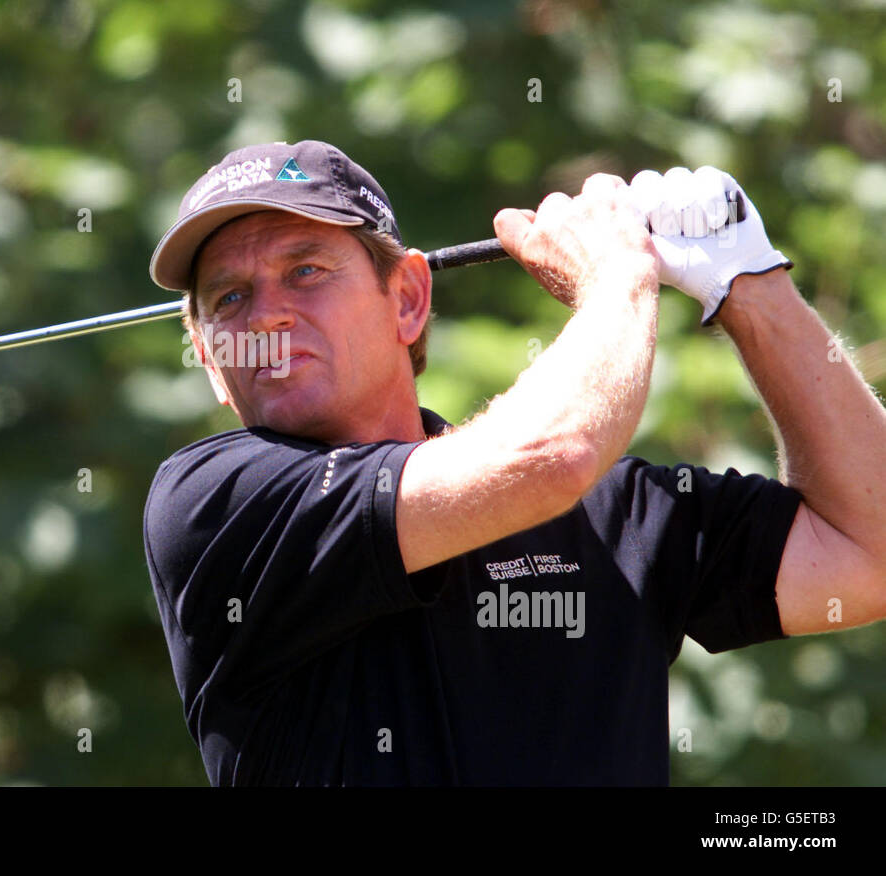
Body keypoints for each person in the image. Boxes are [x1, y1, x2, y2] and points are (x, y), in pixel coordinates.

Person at [140, 138, 886, 785]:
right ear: (208, 357)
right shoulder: (213, 503)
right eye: (230, 297)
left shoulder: (615, 512)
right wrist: (618, 276)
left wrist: (750, 286)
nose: (265, 314)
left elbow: (869, 554)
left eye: (306, 271)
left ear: (406, 300)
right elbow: (552, 456)